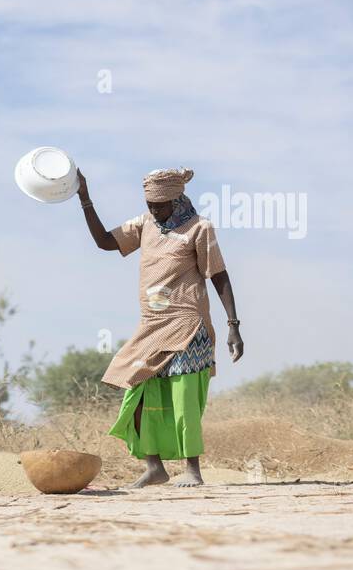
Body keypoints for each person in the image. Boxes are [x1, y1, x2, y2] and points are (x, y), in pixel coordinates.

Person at [75, 167, 243, 487]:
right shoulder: (144, 224)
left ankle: (192, 469)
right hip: (152, 325)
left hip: (187, 323)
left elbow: (218, 275)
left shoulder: (199, 229)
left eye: (161, 205)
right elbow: (104, 242)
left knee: (183, 395)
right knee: (137, 391)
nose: (154, 210)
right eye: (150, 204)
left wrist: (233, 325)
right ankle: (154, 467)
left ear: (178, 199)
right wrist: (85, 198)